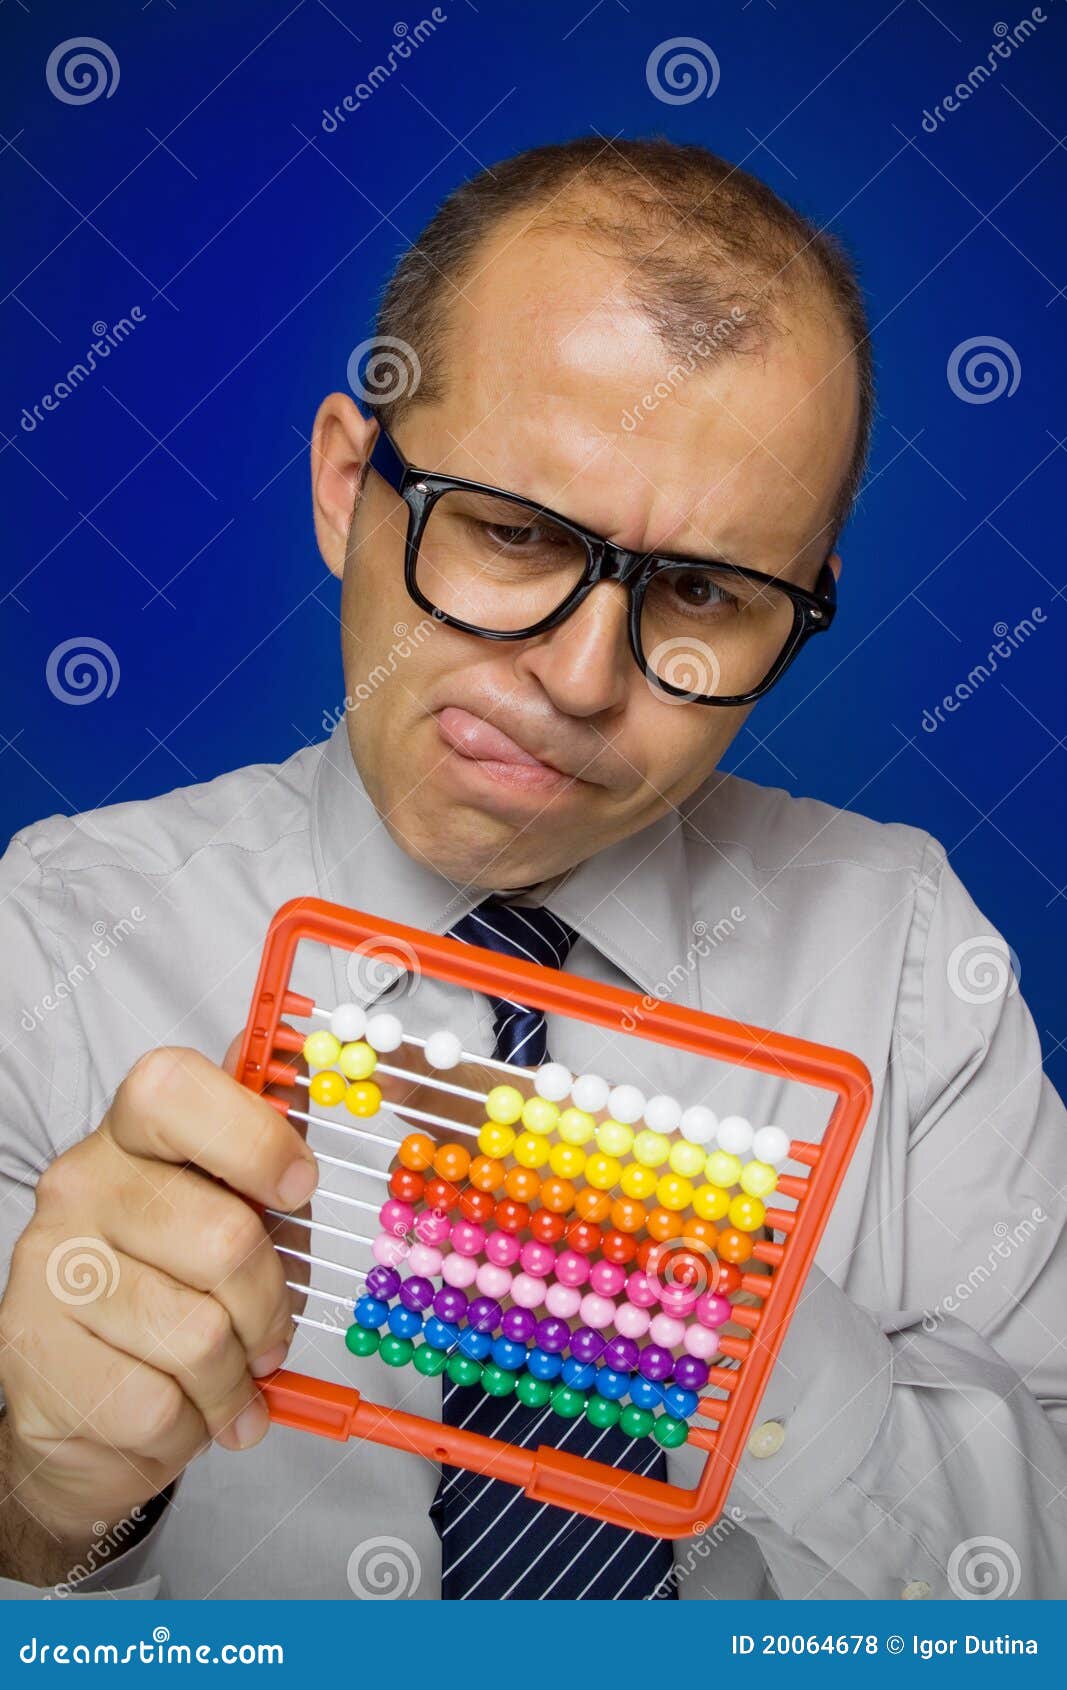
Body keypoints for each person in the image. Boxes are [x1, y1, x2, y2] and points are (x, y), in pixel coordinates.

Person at [1, 136, 1064, 1602]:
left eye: (703, 591)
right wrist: (43, 1503)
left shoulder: (913, 959)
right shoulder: (49, 939)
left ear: (801, 609)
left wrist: (701, 1316)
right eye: (509, 533)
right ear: (346, 484)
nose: (578, 678)